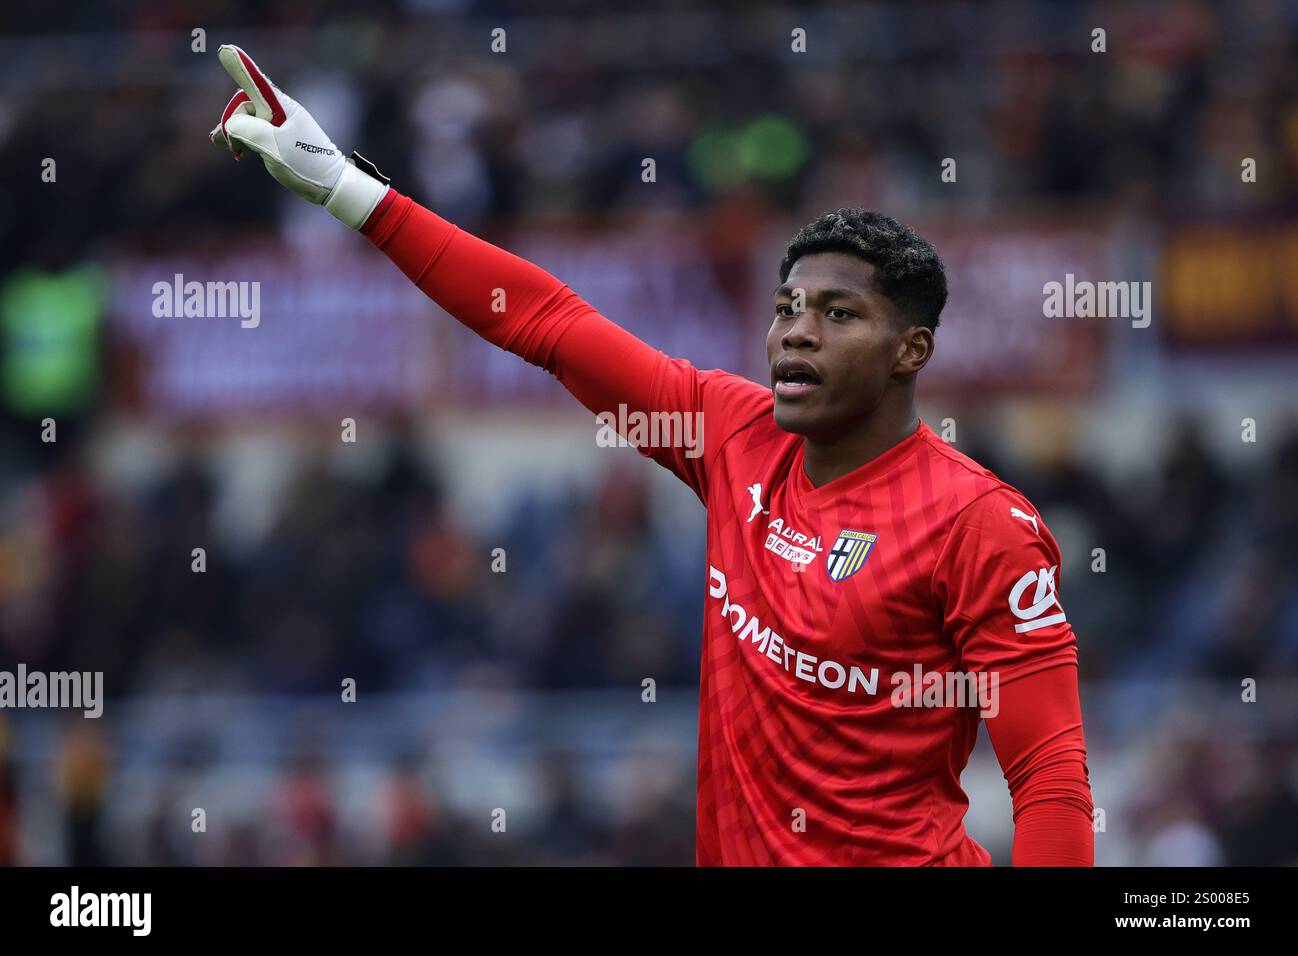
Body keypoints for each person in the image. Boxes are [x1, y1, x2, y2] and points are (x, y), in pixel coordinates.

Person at [210, 45, 1093, 865]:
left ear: (911, 351)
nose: (796, 333)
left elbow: (1050, 779)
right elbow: (548, 322)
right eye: (787, 309)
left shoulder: (978, 524)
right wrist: (349, 192)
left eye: (839, 314)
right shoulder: (733, 436)